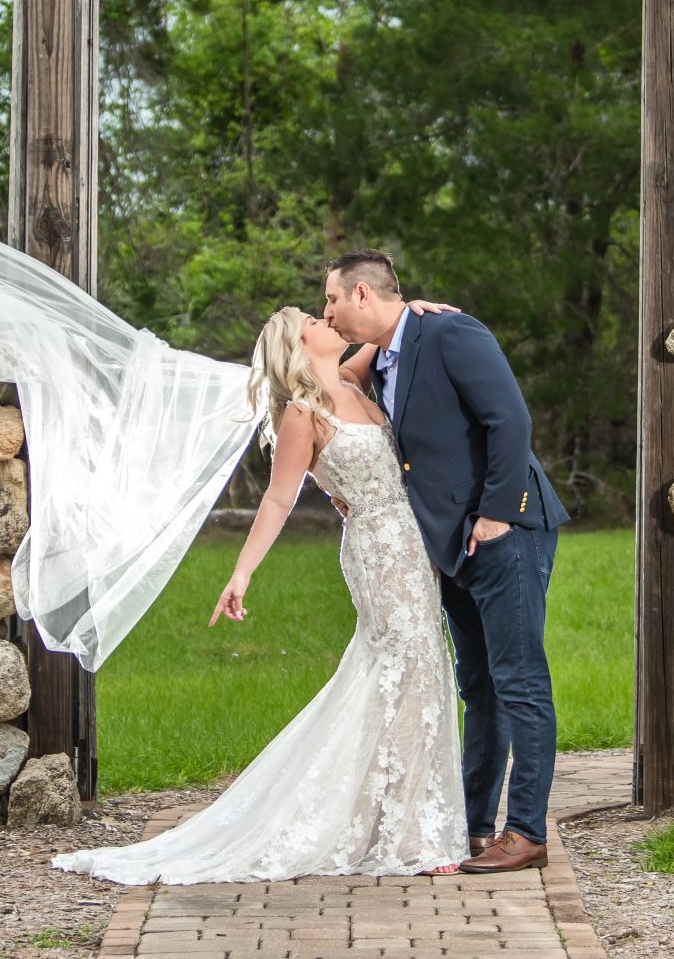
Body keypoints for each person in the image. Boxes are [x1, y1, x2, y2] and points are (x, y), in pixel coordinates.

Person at [51, 305, 466, 884]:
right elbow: (277, 499)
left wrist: (413, 306)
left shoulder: (351, 381)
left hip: (413, 546)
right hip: (377, 550)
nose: (327, 319)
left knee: (415, 670)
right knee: (406, 669)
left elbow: (387, 323)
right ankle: (412, 834)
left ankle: (391, 818)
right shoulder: (304, 413)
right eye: (312, 319)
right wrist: (241, 573)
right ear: (298, 345)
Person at [321, 249, 569, 875]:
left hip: (504, 532)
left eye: (332, 298)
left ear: (361, 294)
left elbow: (509, 418)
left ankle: (527, 832)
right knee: (478, 685)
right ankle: (474, 826)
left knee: (519, 680)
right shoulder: (387, 355)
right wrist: (399, 319)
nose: (327, 312)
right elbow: (337, 379)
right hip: (448, 547)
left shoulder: (452, 333)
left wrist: (497, 513)